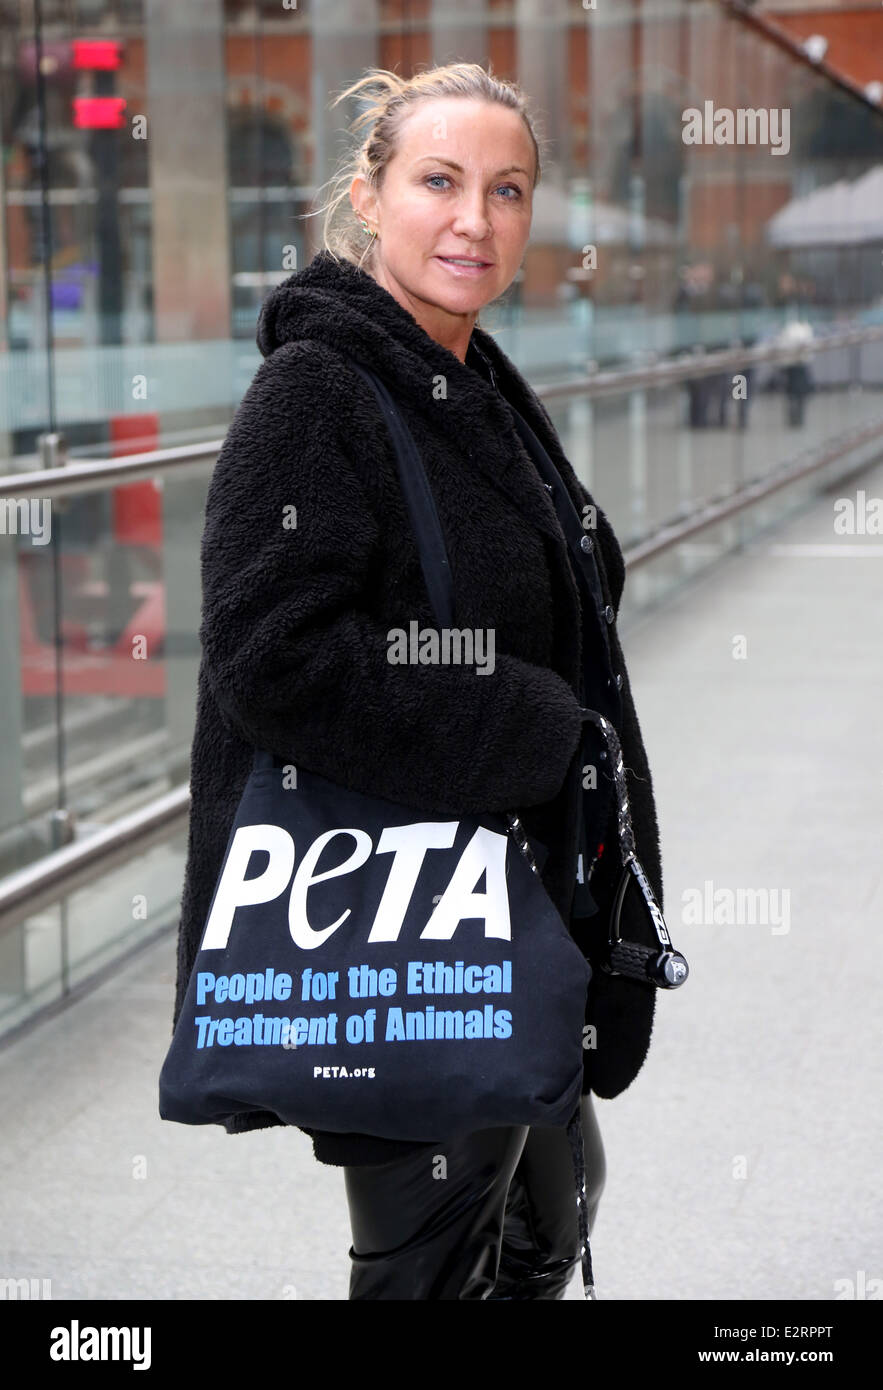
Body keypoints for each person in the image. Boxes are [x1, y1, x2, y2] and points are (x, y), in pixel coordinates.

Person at [172, 62, 664, 1300]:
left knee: (555, 1214)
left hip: (506, 898)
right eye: (438, 182)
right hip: (406, 923)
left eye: (506, 191)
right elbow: (272, 654)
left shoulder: (471, 379)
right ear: (368, 195)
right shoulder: (317, 392)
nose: (474, 221)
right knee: (431, 1269)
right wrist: (525, 721)